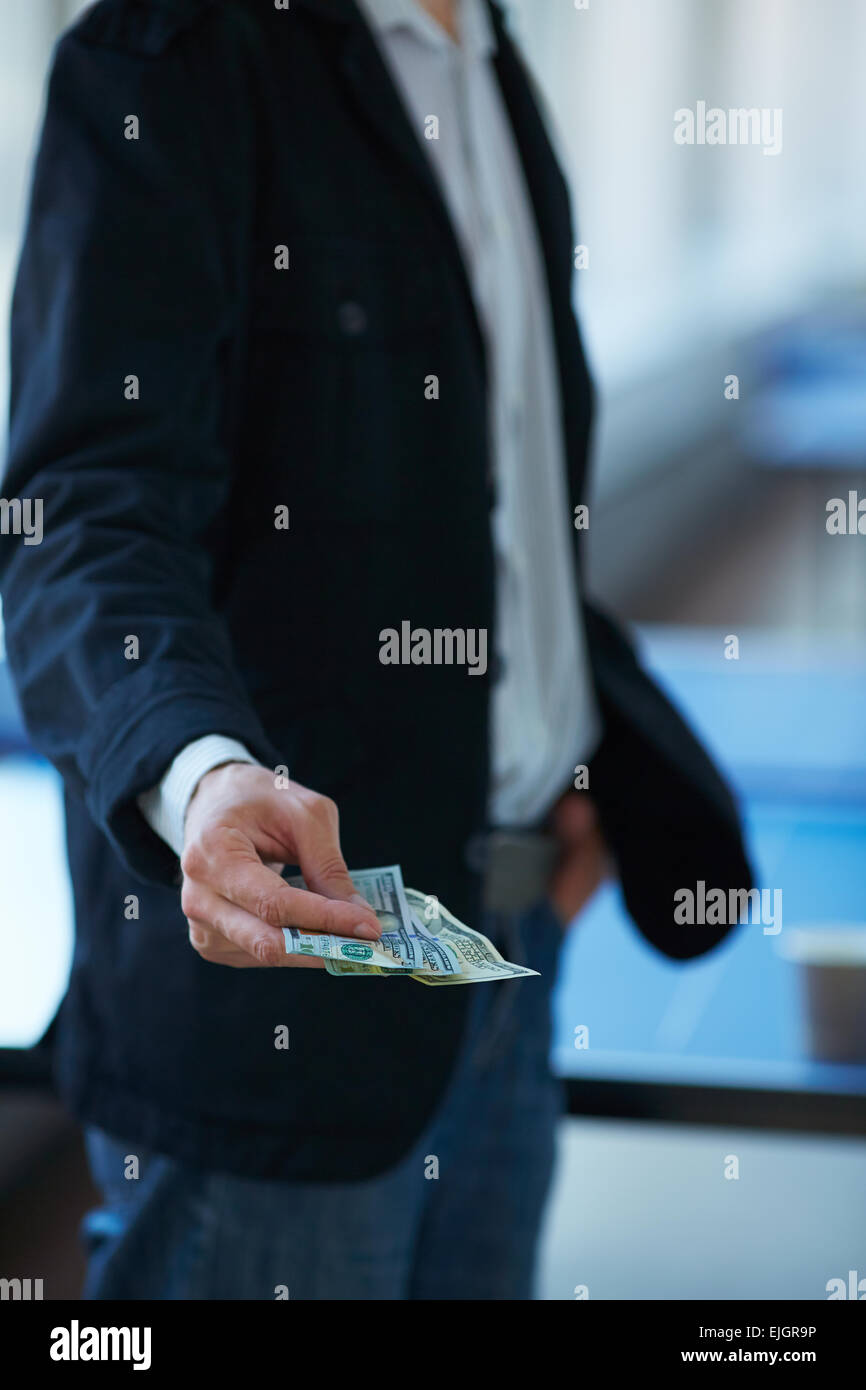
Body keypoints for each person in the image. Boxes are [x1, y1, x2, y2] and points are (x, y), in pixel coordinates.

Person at [0, 0, 751, 1300]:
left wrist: (546, 761)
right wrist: (202, 774)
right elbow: (81, 512)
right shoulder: (169, 52)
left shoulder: (491, 50)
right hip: (286, 979)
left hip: (509, 931)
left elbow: (493, 498)